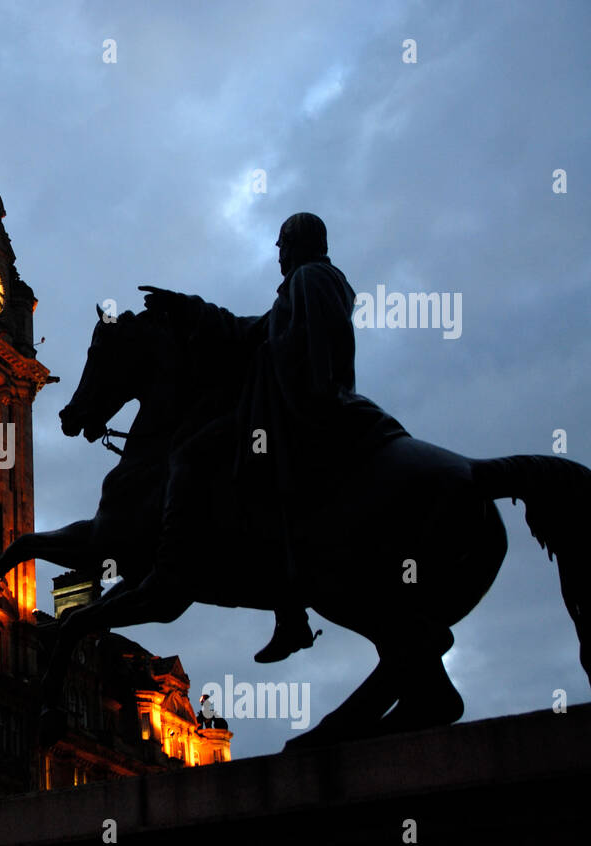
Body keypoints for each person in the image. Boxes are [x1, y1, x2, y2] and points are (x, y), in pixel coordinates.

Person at [137, 213, 406, 663]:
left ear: (299, 243)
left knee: (193, 454)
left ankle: (173, 567)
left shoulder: (313, 280)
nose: (277, 254)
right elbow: (253, 331)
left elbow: (302, 350)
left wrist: (302, 394)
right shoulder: (303, 286)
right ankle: (287, 611)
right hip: (287, 406)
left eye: (281, 244)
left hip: (295, 411)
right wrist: (188, 307)